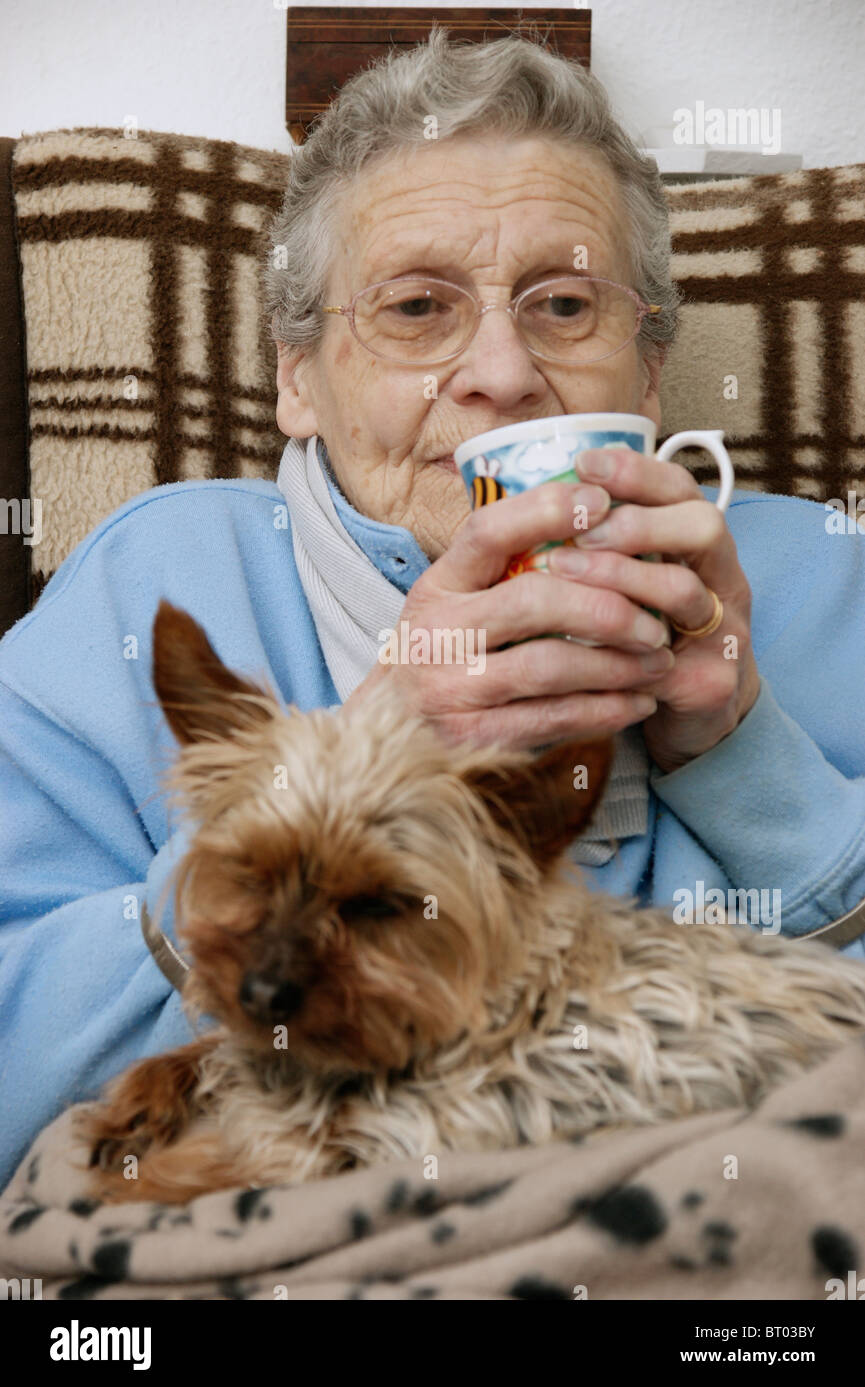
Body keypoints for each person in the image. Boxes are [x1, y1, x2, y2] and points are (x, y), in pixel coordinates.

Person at [1, 30, 863, 1193]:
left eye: (563, 304)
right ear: (297, 376)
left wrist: (741, 751)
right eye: (417, 307)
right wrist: (368, 760)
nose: (501, 372)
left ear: (648, 374)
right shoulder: (153, 578)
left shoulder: (819, 569)